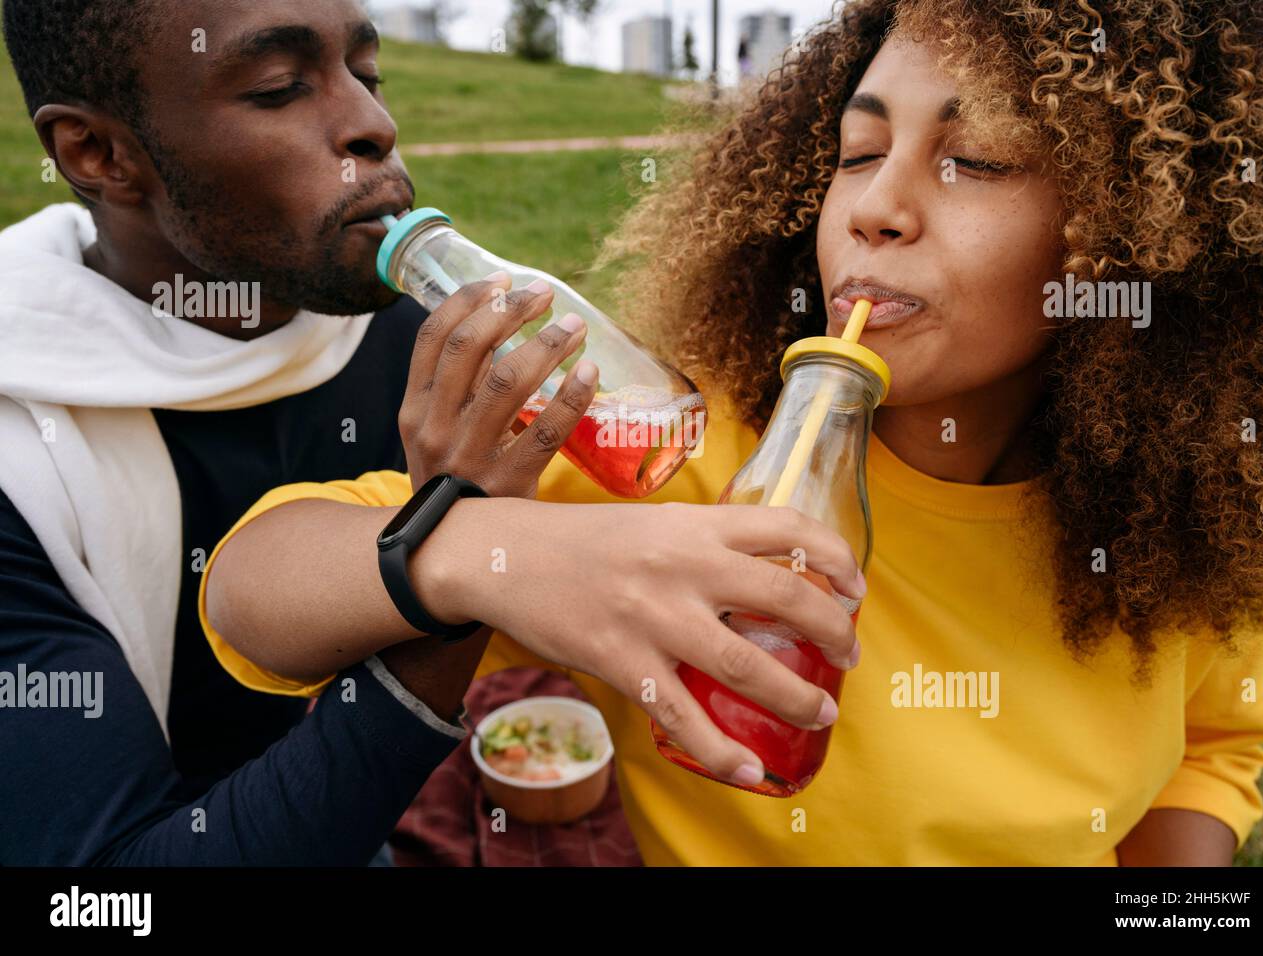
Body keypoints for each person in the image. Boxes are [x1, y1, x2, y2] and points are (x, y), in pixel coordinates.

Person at [198, 0, 1263, 865]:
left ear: (1147, 232)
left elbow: (1216, 746)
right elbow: (247, 590)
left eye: (981, 159)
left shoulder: (1185, 519)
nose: (876, 208)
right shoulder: (684, 467)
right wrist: (496, 553)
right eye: (857, 154)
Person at [0, 0, 856, 865]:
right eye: (277, 87)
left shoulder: (426, 347)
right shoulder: (19, 452)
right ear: (96, 153)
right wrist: (454, 559)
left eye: (367, 74)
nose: (374, 123)